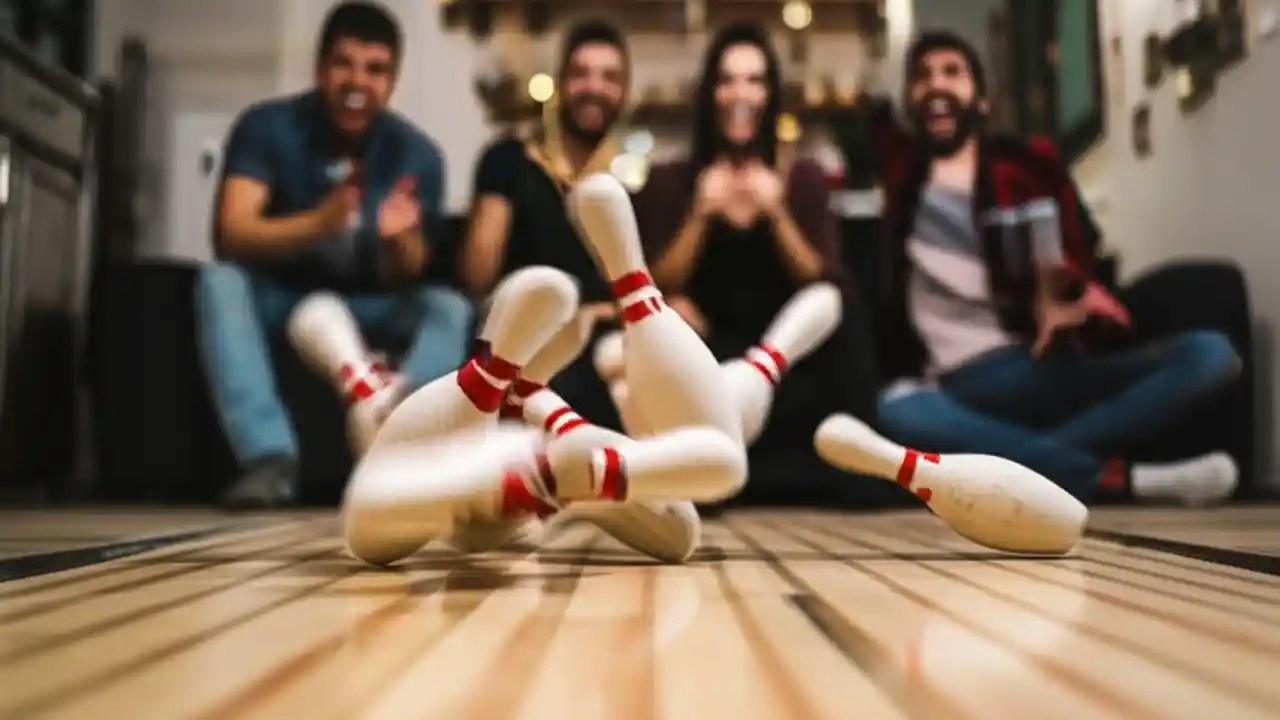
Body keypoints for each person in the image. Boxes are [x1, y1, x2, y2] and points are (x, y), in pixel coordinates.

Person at [866, 30, 1241, 504]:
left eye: (952, 73)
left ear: (981, 99)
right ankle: (1126, 481)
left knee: (1212, 354)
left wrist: (1075, 295)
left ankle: (1029, 472)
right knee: (897, 411)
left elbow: (1079, 256)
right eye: (921, 77)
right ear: (910, 101)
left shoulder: (1027, 168)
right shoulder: (902, 181)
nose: (936, 84)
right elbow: (873, 114)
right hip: (956, 388)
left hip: (1040, 363)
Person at [196, 1, 472, 509]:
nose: (357, 82)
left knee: (449, 307)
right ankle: (269, 459)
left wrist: (399, 241)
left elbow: (408, 271)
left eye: (376, 70)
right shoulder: (266, 126)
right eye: (344, 64)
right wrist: (319, 222)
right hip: (279, 295)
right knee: (220, 281)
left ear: (393, 80)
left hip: (370, 301)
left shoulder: (418, 154)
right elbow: (231, 233)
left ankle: (401, 433)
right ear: (321, 68)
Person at [633, 22, 882, 507]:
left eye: (754, 80)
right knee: (662, 326)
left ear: (771, 95)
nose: (739, 94)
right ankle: (724, 466)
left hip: (784, 361)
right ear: (709, 94)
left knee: (847, 314)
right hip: (712, 354)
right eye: (727, 80)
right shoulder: (671, 180)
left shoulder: (802, 177)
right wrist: (700, 215)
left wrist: (776, 211)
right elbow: (656, 283)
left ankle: (826, 469)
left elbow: (822, 281)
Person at [459, 19, 631, 429]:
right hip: (522, 330)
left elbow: (634, 287)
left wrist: (595, 313)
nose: (595, 87)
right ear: (561, 84)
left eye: (610, 77)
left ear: (624, 92)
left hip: (599, 339)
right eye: (581, 74)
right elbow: (477, 275)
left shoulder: (625, 182)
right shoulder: (509, 160)